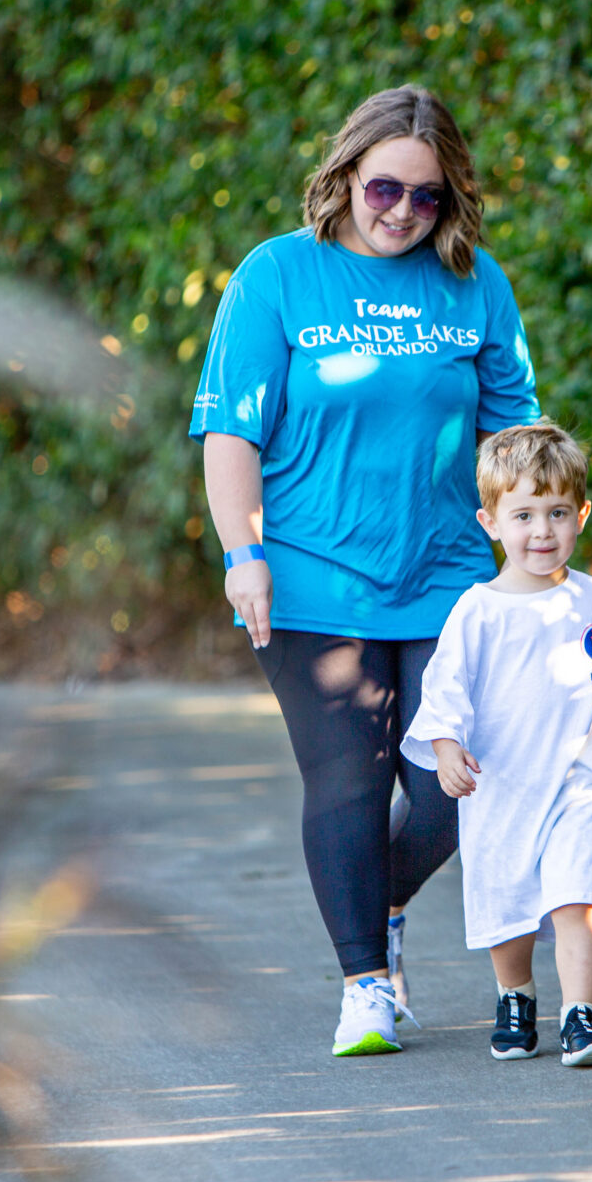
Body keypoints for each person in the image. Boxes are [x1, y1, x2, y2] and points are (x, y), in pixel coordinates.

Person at [193, 85, 540, 1057]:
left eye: (427, 196)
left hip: (449, 579)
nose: (402, 212)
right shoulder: (277, 275)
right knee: (347, 782)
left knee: (458, 787)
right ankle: (365, 983)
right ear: (345, 175)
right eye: (385, 188)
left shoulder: (474, 283)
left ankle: (373, 901)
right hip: (311, 579)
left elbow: (514, 438)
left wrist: (537, 557)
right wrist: (243, 556)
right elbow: (231, 431)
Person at [403, 423, 592, 1066]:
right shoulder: (478, 611)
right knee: (507, 901)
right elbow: (445, 687)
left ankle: (581, 1017)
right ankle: (515, 996)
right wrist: (446, 746)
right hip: (503, 788)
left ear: (582, 516)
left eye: (558, 513)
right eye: (524, 515)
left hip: (581, 784)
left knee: (580, 894)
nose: (541, 531)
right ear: (491, 522)